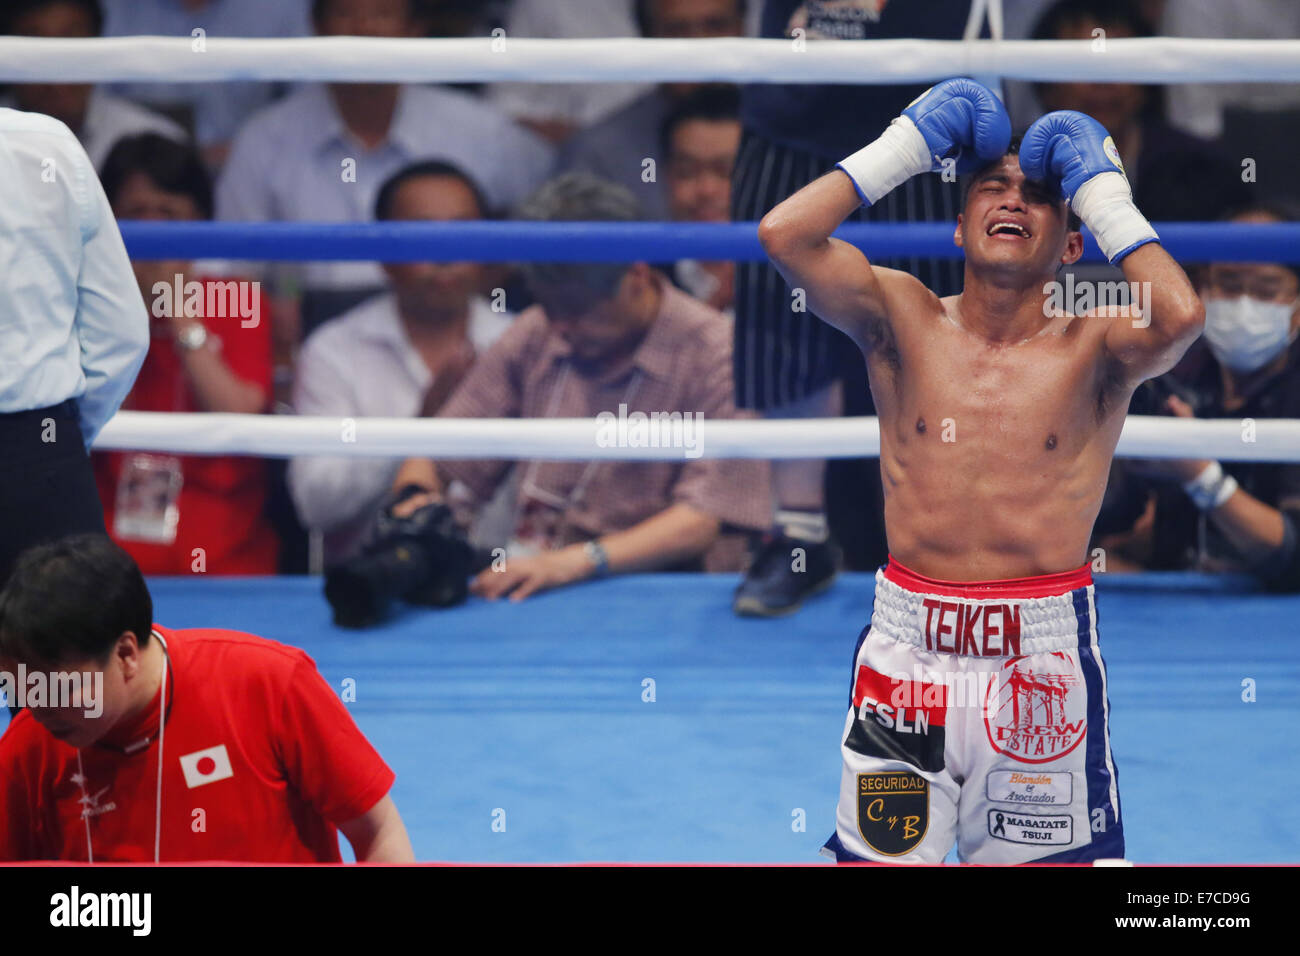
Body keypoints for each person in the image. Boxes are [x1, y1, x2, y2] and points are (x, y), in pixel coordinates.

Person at [757, 78, 1203, 862]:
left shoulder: (1095, 349)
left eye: (1037, 195)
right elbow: (784, 234)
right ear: (960, 228)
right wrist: (909, 144)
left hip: (1039, 662)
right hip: (906, 661)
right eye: (991, 188)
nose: (1013, 201)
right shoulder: (902, 318)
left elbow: (1180, 316)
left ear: (1072, 243)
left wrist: (1102, 190)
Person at [387, 173, 771, 602]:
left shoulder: (718, 351)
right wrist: (415, 499)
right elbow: (439, 449)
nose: (562, 327)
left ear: (637, 276)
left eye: (577, 309)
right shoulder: (539, 329)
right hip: (534, 585)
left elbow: (702, 518)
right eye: (551, 307)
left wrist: (570, 563)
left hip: (670, 594)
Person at [731, 0, 983, 618]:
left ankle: (937, 547)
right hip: (791, 120)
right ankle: (799, 538)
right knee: (779, 315)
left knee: (930, 327)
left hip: (925, 122)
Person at [0, 534, 414, 862]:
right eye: (23, 688)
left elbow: (378, 833)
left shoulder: (270, 683)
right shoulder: (28, 745)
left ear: (125, 653)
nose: (39, 705)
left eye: (60, 687)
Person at [215, 0, 555, 334]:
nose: (364, 30)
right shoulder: (263, 138)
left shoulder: (479, 130)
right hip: (303, 331)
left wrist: (485, 275)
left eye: (383, 14)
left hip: (454, 324)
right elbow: (233, 272)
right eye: (346, 13)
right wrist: (264, 330)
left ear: (414, 32)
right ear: (316, 29)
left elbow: (545, 219)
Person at [289, 160, 514, 566]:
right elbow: (315, 504)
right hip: (372, 594)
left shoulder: (524, 342)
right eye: (422, 235)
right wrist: (414, 432)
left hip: (508, 585)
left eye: (462, 233)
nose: (445, 256)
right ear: (383, 252)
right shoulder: (334, 349)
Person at [92, 134, 278, 575]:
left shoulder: (237, 297)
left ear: (200, 221)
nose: (154, 231)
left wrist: (175, 307)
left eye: (169, 214)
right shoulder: (86, 305)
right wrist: (123, 308)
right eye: (137, 214)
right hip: (107, 564)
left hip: (226, 557)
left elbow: (239, 413)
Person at [1097, 204, 1300, 590]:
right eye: (1229, 283)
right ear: (1203, 290)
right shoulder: (1171, 379)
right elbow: (1115, 527)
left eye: (1265, 290)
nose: (1243, 302)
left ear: (1297, 308)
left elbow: (1294, 557)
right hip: (1180, 613)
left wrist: (1198, 472)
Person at [0, 107, 149, 588]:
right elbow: (121, 332)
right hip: (37, 456)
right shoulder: (43, 142)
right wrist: (54, 436)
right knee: (65, 658)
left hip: (38, 447)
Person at [558, 0, 747, 220]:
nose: (699, 45)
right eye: (678, 31)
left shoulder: (785, 137)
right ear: (648, 40)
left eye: (716, 25)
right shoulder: (598, 153)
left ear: (743, 29)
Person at [1, 0, 189, 170]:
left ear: (98, 49)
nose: (54, 65)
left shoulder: (153, 139)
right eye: (36, 46)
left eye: (69, 43)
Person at [661, 85, 742, 315]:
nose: (706, 190)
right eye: (686, 171)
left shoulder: (799, 280)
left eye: (727, 171)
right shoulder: (642, 279)